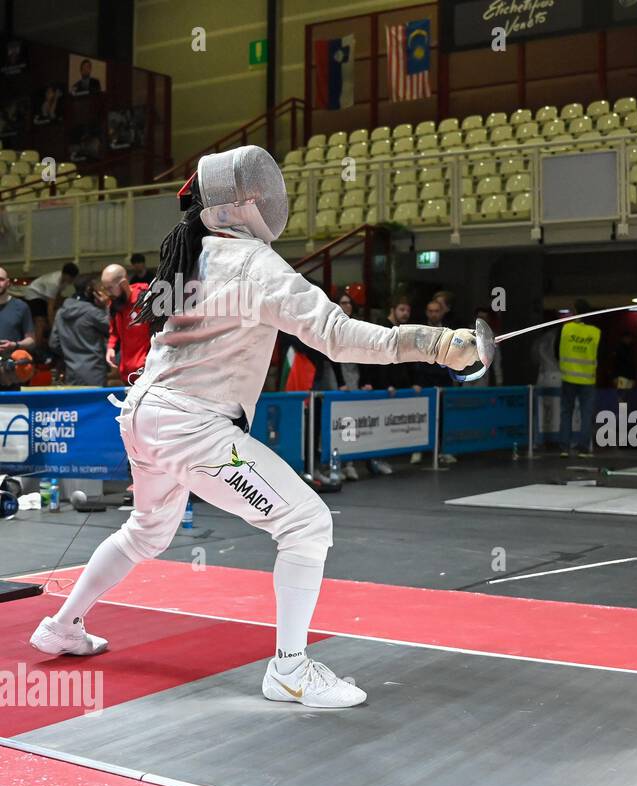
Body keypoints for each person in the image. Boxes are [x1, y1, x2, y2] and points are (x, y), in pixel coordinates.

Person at [27, 145, 480, 708]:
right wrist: (433, 343)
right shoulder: (252, 263)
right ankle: (290, 669)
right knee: (307, 525)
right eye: (260, 192)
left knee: (147, 531)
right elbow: (335, 335)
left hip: (144, 413)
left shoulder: (191, 255)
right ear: (242, 203)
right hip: (190, 424)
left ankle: (63, 625)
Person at [49, 274, 110, 385]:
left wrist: (70, 354)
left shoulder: (61, 312)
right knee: (95, 402)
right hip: (95, 372)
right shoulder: (93, 313)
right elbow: (113, 329)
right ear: (89, 290)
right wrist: (106, 306)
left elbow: (54, 343)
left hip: (71, 372)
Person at [558, 301, 600, 458]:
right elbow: (600, 354)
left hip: (568, 377)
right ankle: (583, 448)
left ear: (576, 312)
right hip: (588, 380)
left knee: (566, 413)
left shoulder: (566, 329)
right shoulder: (595, 332)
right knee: (586, 414)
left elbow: (557, 350)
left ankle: (564, 447)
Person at [102, 263, 151, 385]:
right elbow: (114, 332)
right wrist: (111, 347)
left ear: (123, 284)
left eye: (110, 288)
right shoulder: (115, 305)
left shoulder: (146, 302)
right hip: (127, 374)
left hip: (148, 373)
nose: (108, 293)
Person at [0, 265, 36, 392]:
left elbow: (31, 340)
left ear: (8, 283)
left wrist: (14, 345)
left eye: (1, 279)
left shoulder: (20, 307)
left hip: (12, 374)